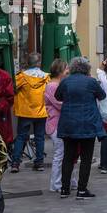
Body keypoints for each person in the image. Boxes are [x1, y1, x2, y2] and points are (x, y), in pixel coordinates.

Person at [55, 56, 107, 199]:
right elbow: (102, 96)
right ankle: (82, 190)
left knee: (68, 157)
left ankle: (65, 189)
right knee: (86, 157)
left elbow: (58, 96)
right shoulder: (91, 82)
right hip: (87, 124)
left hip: (68, 124)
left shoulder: (65, 81)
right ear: (87, 69)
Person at [11, 52, 48, 173]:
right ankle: (39, 162)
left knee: (21, 137)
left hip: (25, 112)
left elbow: (13, 88)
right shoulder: (46, 77)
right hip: (41, 111)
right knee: (40, 137)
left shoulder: (21, 76)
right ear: (39, 63)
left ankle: (15, 163)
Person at [44, 59, 67, 192]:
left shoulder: (57, 84)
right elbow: (60, 104)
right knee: (60, 154)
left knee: (66, 154)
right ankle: (56, 184)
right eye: (66, 68)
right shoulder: (53, 86)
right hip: (56, 124)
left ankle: (69, 180)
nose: (68, 71)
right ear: (60, 71)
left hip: (60, 123)